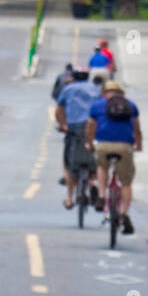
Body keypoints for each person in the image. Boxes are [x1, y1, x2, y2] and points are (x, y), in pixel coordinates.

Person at [84, 78, 141, 234]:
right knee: (126, 183)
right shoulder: (130, 105)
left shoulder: (97, 105)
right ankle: (125, 214)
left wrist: (89, 142)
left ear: (104, 93)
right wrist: (138, 145)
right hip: (125, 147)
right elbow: (136, 128)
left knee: (102, 166)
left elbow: (90, 126)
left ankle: (101, 195)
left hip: (103, 146)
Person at [54, 69, 100, 210]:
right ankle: (94, 183)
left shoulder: (69, 89)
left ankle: (69, 199)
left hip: (74, 129)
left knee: (69, 163)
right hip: (94, 127)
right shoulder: (95, 89)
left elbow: (59, 110)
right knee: (97, 157)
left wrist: (63, 125)